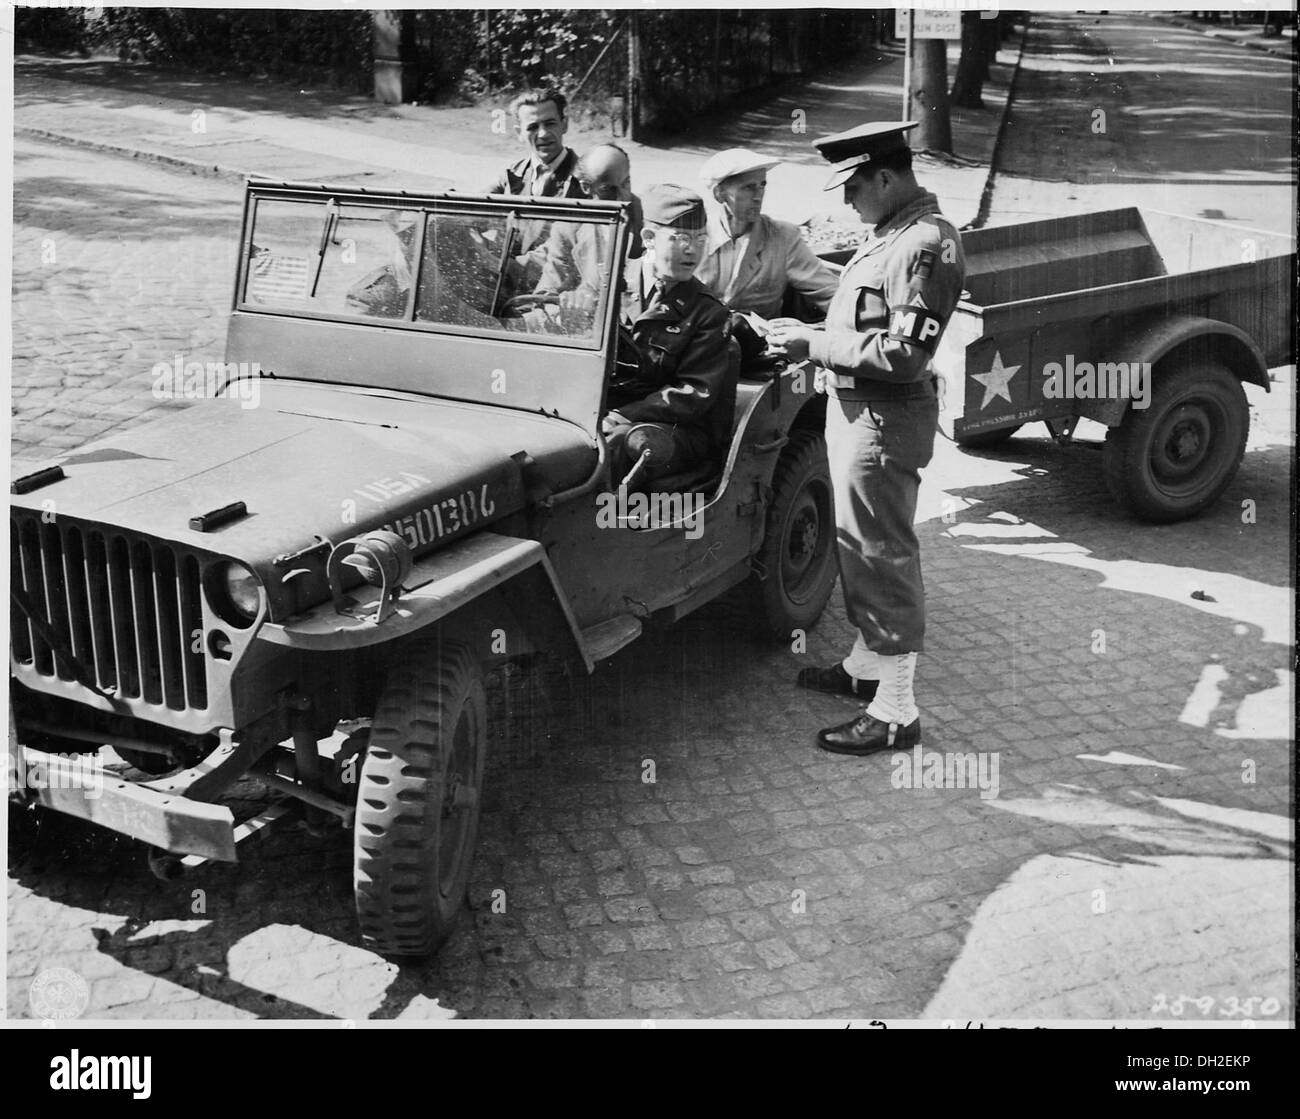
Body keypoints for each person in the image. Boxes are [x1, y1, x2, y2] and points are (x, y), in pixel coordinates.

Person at [768, 122, 966, 756]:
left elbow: (905, 353)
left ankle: (896, 712)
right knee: (857, 548)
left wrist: (810, 343)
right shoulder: (896, 234)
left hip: (881, 423)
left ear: (886, 177)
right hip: (863, 417)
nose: (846, 202)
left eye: (852, 187)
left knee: (882, 559)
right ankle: (864, 669)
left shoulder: (924, 247)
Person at [602, 184, 732, 489]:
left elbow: (693, 394)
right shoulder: (612, 283)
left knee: (618, 446)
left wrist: (623, 415)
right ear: (649, 239)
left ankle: (606, 530)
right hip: (608, 411)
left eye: (701, 239)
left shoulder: (708, 313)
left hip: (679, 429)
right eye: (681, 238)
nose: (693, 250)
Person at [696, 148, 839, 323]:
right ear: (719, 195)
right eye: (748, 187)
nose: (758, 196)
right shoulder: (697, 235)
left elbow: (831, 294)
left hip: (760, 344)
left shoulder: (783, 237)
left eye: (762, 185)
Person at [535, 143, 643, 301]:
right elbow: (547, 293)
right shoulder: (568, 230)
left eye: (626, 183)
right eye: (608, 190)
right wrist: (569, 302)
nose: (622, 196)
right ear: (586, 187)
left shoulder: (653, 220)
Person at [484, 87, 583, 199]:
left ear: (564, 125)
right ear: (520, 133)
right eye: (533, 127)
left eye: (550, 124)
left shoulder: (586, 178)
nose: (543, 134)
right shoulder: (511, 177)